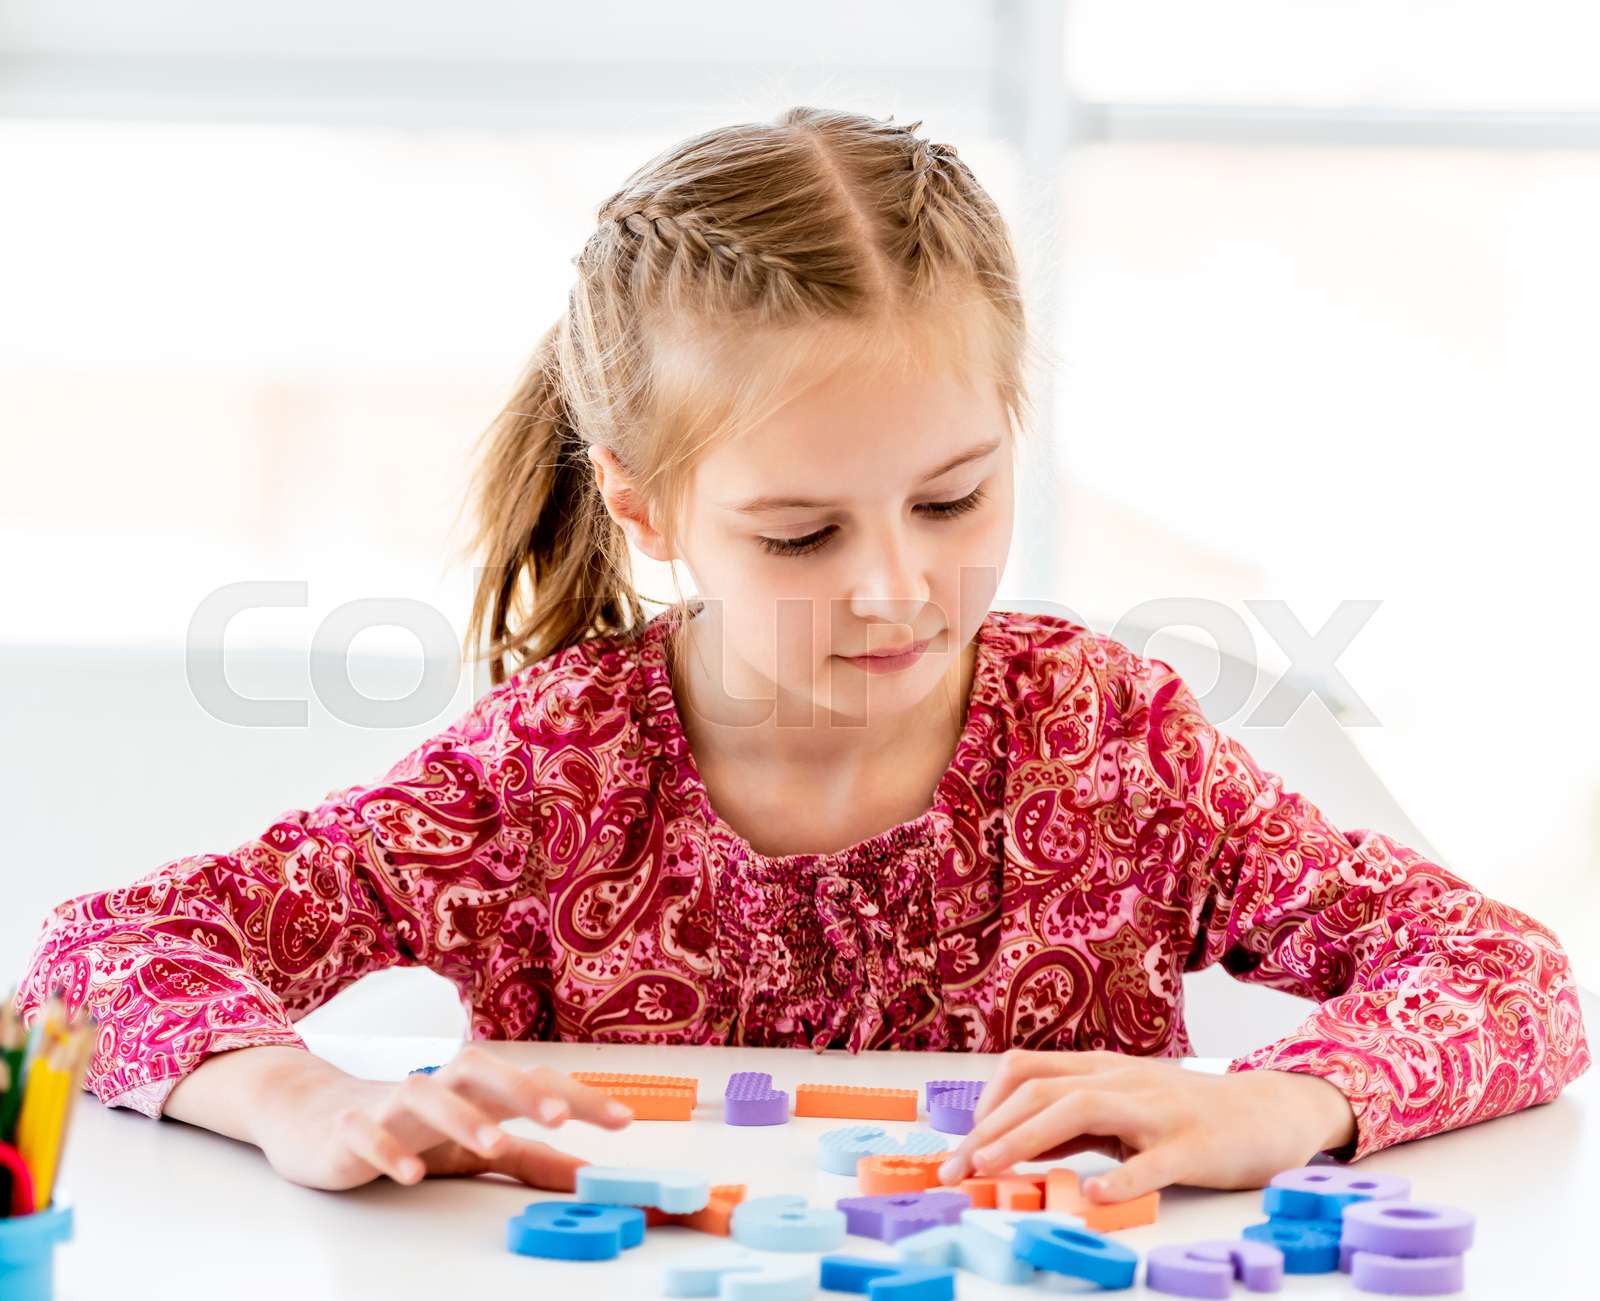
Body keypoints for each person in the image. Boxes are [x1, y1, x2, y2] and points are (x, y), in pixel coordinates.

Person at [12, 107, 1589, 1204]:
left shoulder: (1113, 741)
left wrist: (1281, 1100)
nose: (898, 584)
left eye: (954, 496)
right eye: (799, 534)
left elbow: (1511, 973)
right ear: (646, 504)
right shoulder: (548, 773)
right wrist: (310, 1097)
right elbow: (94, 958)